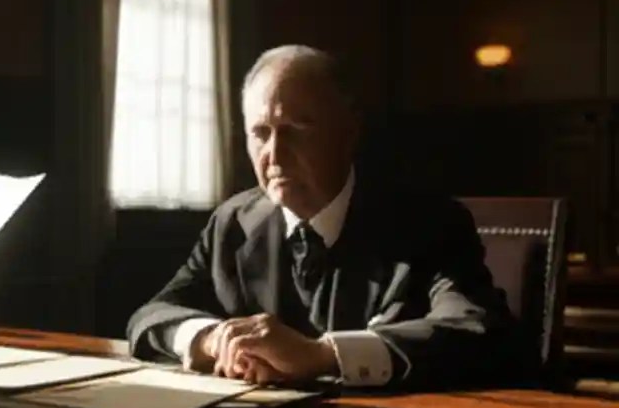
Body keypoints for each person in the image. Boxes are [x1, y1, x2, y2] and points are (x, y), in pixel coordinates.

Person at [128, 45, 526, 390]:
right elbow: (152, 316)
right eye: (261, 133)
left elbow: (476, 331)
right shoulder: (232, 223)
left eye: (297, 130)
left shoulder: (428, 222)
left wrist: (323, 355)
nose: (275, 155)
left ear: (349, 132)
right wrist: (212, 339)